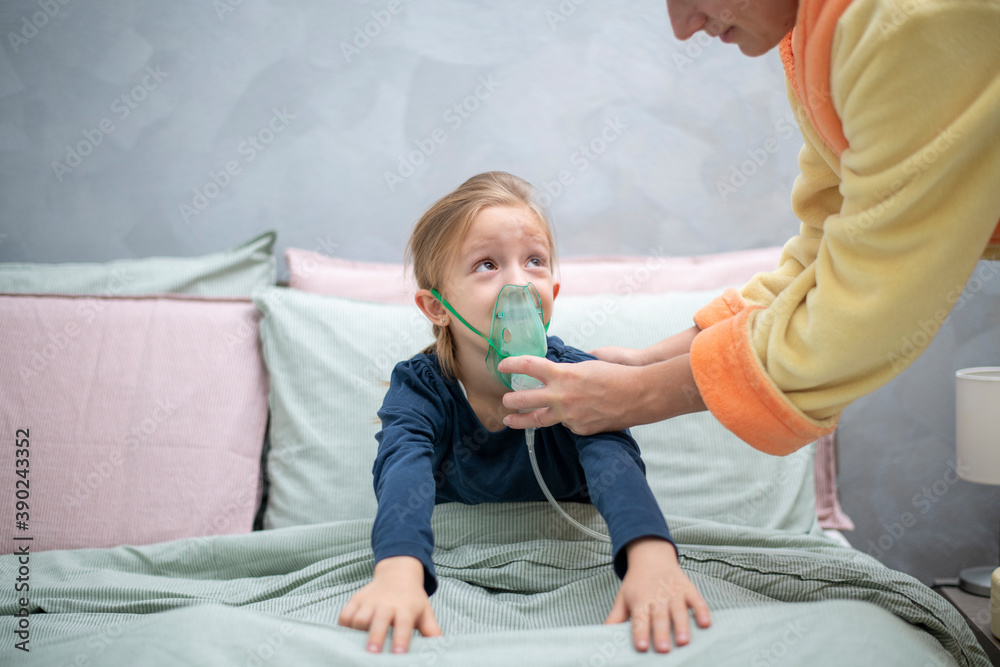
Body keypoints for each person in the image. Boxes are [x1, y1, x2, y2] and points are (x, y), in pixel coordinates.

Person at [500, 0, 1000, 455]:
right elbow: (828, 246)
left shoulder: (900, 24)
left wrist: (640, 395)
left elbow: (868, 301)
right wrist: (649, 362)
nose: (683, 27)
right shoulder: (814, 39)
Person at [336, 171, 711, 655]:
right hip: (458, 559)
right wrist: (398, 572)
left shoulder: (577, 378)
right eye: (487, 264)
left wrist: (652, 560)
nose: (519, 283)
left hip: (569, 553)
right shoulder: (422, 388)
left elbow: (613, 463)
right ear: (436, 306)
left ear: (554, 287)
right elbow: (402, 470)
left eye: (534, 261)